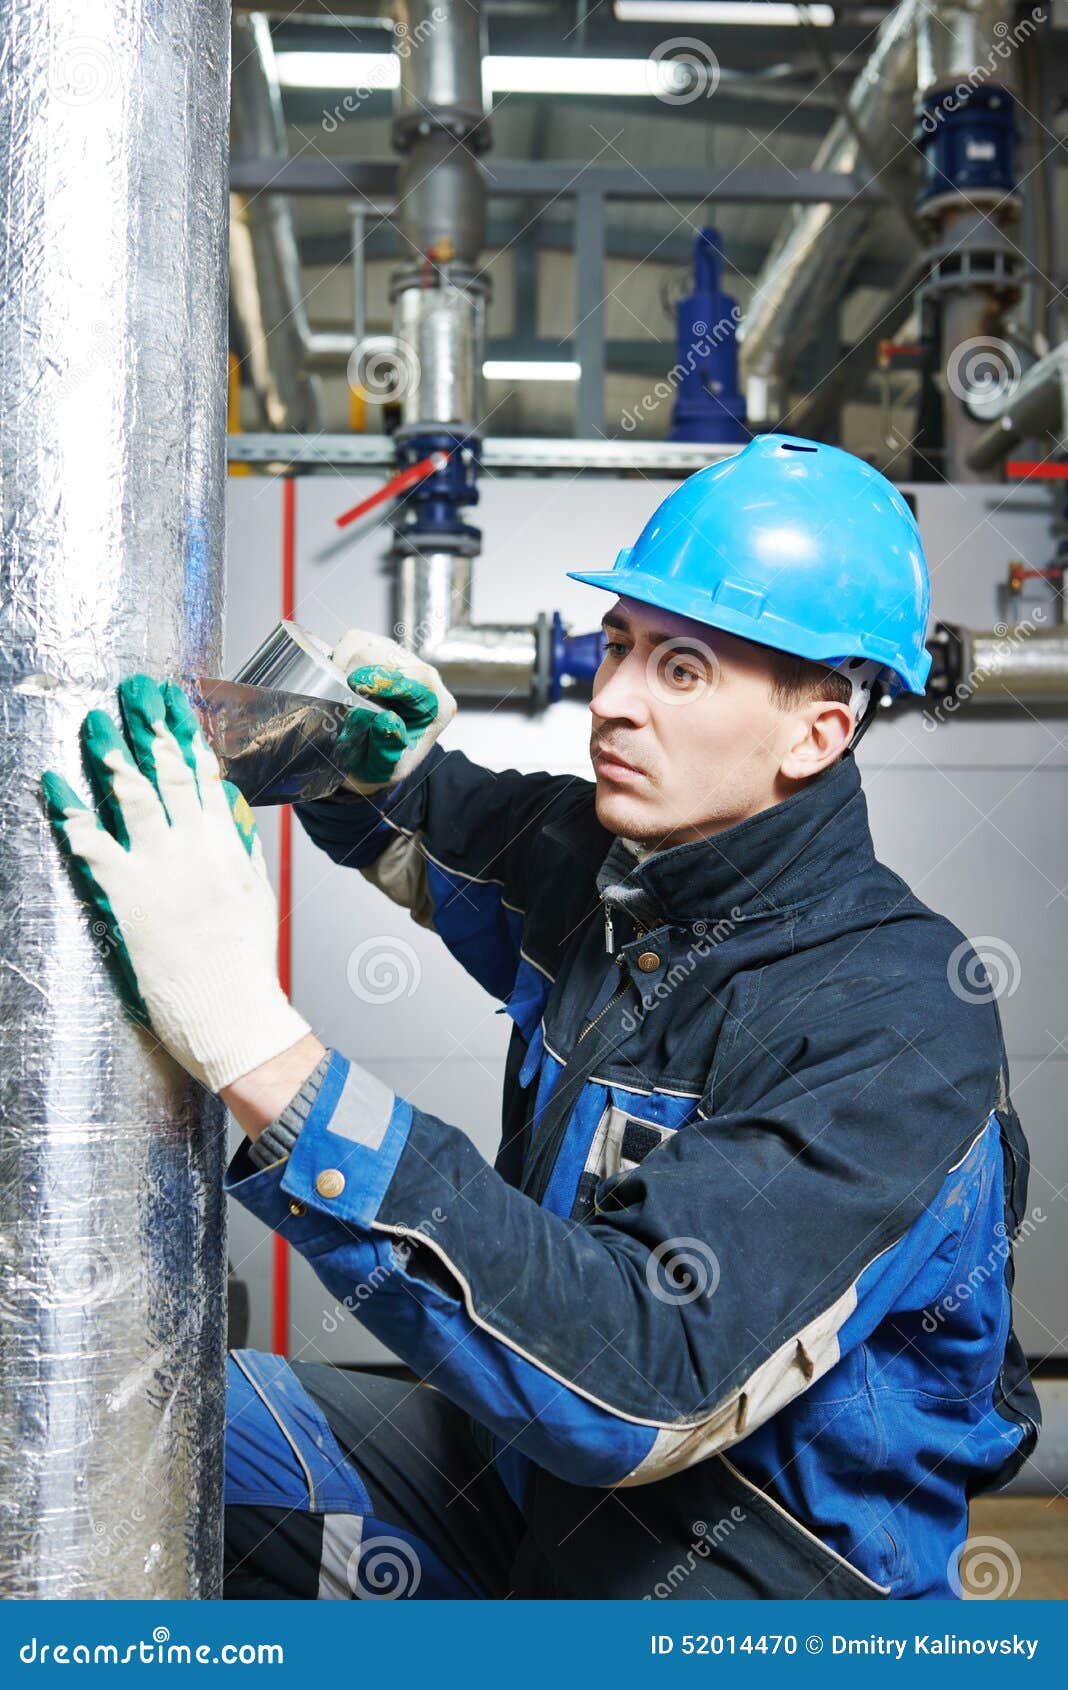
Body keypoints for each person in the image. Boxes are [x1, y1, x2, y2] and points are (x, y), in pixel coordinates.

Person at [43, 433, 1039, 1601]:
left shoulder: (896, 1024)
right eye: (618, 645)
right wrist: (355, 757)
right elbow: (451, 829)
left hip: (762, 1565)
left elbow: (641, 1373)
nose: (609, 700)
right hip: (531, 1483)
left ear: (817, 729)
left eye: (681, 670)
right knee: (147, 1429)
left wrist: (256, 1046)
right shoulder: (620, 864)